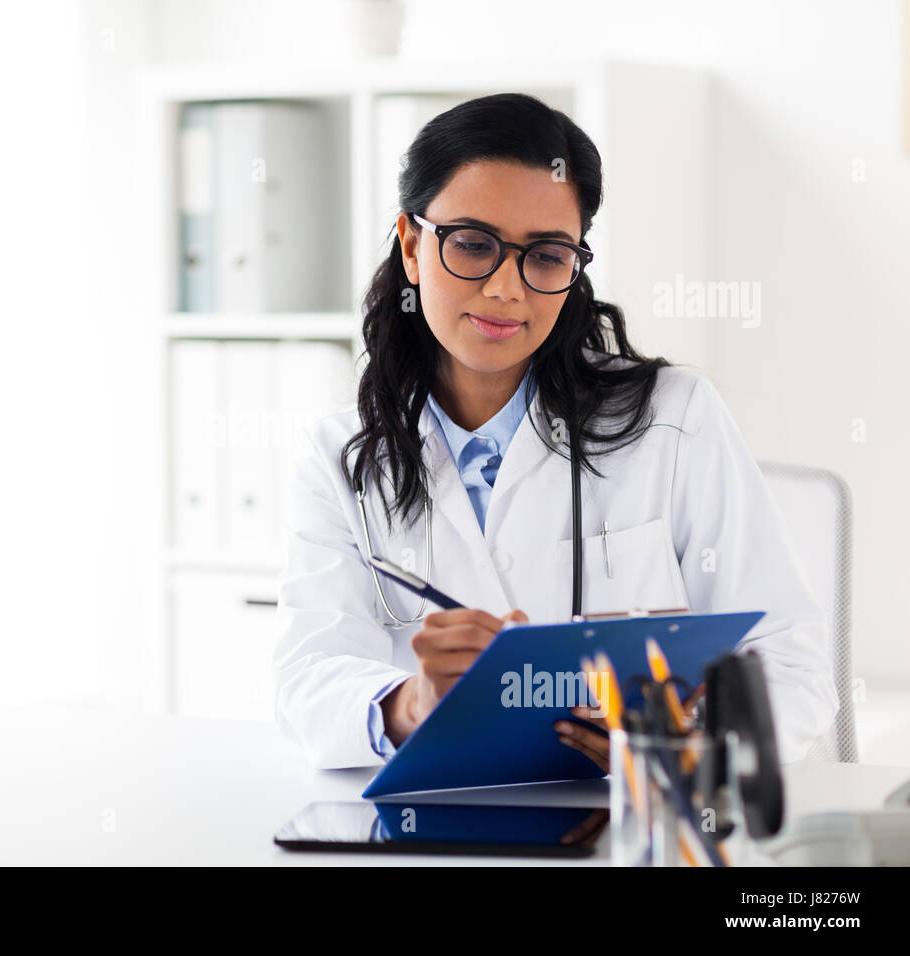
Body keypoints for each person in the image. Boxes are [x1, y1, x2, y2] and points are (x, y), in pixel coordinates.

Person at [274, 93, 838, 771]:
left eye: (545, 255)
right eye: (474, 245)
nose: (508, 288)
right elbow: (306, 681)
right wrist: (412, 703)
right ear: (412, 246)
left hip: (633, 821)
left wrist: (680, 738)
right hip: (437, 821)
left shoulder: (677, 418)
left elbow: (791, 660)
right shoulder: (339, 456)